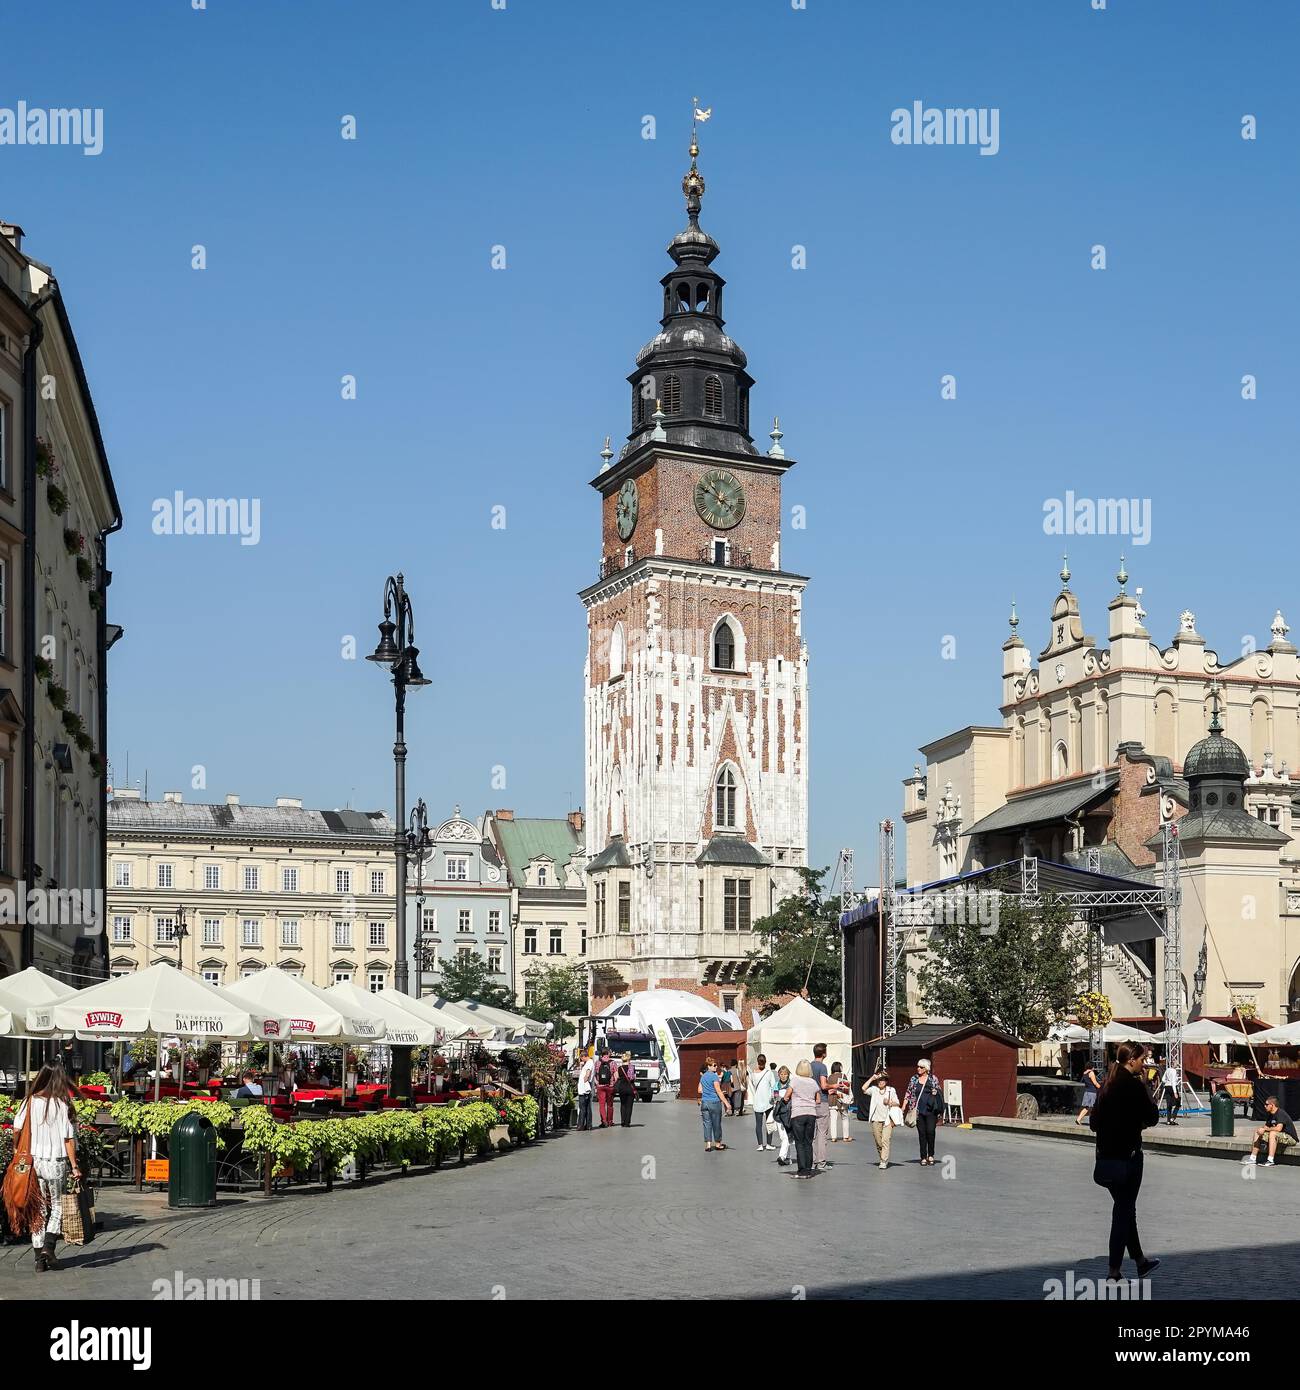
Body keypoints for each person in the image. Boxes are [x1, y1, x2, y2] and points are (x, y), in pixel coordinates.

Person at [1089, 1040, 1160, 1282]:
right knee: (1123, 1213)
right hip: (1128, 1159)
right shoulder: (1133, 1086)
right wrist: (1145, 1088)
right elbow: (1153, 1116)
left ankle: (1140, 1262)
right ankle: (1113, 1272)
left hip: (1106, 1159)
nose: (1144, 1064)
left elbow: (1093, 1123)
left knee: (1125, 1210)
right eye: (1142, 1060)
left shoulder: (1107, 1085)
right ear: (1132, 1060)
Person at [12, 1064, 82, 1271]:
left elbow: (16, 1129)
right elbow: (68, 1139)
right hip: (56, 1162)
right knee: (58, 1206)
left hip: (34, 1162)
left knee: (39, 1209)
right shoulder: (62, 1105)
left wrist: (17, 1150)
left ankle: (38, 1259)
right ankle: (49, 1248)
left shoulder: (29, 1102)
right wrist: (75, 1166)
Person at [902, 1058, 943, 1166]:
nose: (918, 1069)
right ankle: (923, 1157)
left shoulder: (933, 1079)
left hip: (931, 1111)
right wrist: (904, 1106)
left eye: (921, 1067)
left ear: (926, 1068)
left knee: (931, 1132)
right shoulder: (914, 1079)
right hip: (918, 1111)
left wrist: (935, 1092)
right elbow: (908, 1093)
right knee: (922, 1134)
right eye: (918, 1066)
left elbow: (939, 1092)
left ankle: (931, 1155)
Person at [789, 1060, 822, 1178]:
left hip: (798, 1113)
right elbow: (818, 1100)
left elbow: (787, 1095)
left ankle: (802, 1170)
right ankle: (808, 1169)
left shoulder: (795, 1080)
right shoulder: (813, 1082)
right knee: (808, 1142)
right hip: (811, 1114)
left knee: (799, 1142)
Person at [1247, 1095, 1298, 1167]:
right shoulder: (1270, 1115)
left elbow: (1278, 1128)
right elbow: (1266, 1127)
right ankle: (1252, 1158)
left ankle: (1270, 1160)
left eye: (1266, 1104)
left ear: (1272, 1105)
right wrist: (1261, 1129)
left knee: (1273, 1133)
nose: (1265, 1106)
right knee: (1257, 1132)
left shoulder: (1280, 1113)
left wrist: (1265, 1129)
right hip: (1280, 1135)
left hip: (1290, 1138)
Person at [863, 1071, 899, 1169]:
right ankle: (882, 1157)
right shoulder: (874, 1089)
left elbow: (897, 1103)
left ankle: (884, 1161)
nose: (880, 1082)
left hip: (887, 1119)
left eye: (882, 1080)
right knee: (878, 1142)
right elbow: (863, 1088)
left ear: (886, 1081)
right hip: (875, 1119)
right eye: (879, 1080)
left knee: (885, 1140)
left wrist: (889, 1102)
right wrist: (872, 1078)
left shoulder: (891, 1090)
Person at [698, 1057, 730, 1152]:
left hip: (704, 1102)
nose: (716, 1067)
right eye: (714, 1065)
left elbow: (700, 1089)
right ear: (709, 1066)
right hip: (714, 1102)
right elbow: (719, 1091)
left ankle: (708, 1145)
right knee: (716, 1124)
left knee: (707, 1124)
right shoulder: (714, 1076)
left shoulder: (703, 1076)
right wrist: (727, 1103)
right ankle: (718, 1144)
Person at [809, 1042, 832, 1171]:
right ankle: (821, 1162)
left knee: (812, 1134)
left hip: (810, 1102)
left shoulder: (809, 1066)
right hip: (822, 1102)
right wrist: (833, 1086)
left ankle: (812, 1161)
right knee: (822, 1133)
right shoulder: (822, 1067)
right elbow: (823, 1085)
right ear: (824, 1053)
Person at [747, 1053, 775, 1150]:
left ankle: (760, 1145)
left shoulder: (753, 1074)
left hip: (757, 1101)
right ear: (765, 1062)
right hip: (768, 1102)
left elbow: (752, 1086)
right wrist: (775, 1098)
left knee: (758, 1124)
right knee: (769, 1123)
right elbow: (774, 1087)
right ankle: (769, 1144)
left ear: (758, 1062)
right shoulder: (769, 1073)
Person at [772, 1066, 795, 1165]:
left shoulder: (791, 1085)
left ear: (788, 1074)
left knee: (786, 1136)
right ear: (778, 1075)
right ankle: (788, 1158)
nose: (783, 1076)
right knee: (783, 1137)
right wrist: (774, 1098)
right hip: (778, 1113)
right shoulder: (776, 1085)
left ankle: (781, 1156)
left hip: (788, 1112)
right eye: (781, 1074)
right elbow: (772, 1099)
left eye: (785, 1074)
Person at [828, 1062, 853, 1142]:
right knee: (845, 1118)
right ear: (840, 1068)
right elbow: (846, 1089)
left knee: (833, 1119)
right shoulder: (843, 1076)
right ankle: (845, 1137)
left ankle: (833, 1137)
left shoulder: (830, 1077)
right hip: (841, 1100)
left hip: (832, 1100)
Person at [594, 1049, 616, 1129]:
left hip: (600, 1086)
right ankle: (610, 1121)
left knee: (602, 1105)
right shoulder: (613, 1063)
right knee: (610, 1105)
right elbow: (616, 1075)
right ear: (608, 1053)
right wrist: (613, 1084)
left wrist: (597, 1083)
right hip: (610, 1086)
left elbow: (595, 1074)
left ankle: (604, 1121)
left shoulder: (597, 1062)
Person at [615, 1051, 637, 1128]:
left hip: (622, 1088)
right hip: (630, 1088)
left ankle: (622, 1121)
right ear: (629, 1059)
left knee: (623, 1105)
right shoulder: (632, 1067)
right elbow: (634, 1078)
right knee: (629, 1106)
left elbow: (617, 1077)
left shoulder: (619, 1068)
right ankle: (627, 1122)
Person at [575, 1049, 594, 1131]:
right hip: (586, 1087)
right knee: (587, 1107)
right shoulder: (589, 1063)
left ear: (584, 1056)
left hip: (585, 1088)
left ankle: (581, 1125)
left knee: (583, 1107)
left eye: (581, 1058)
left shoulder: (589, 1063)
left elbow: (588, 1073)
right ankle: (588, 1124)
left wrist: (585, 1079)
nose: (581, 1060)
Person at [1157, 1056, 1180, 1126]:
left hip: (1167, 1087)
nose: (1178, 1064)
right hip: (1172, 1087)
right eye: (1177, 1063)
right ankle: (1173, 1117)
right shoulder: (1174, 1071)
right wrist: (1175, 1092)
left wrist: (1167, 1081)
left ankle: (1168, 1120)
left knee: (1169, 1104)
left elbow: (1163, 1079)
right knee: (1178, 1103)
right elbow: (1173, 1082)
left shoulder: (1168, 1070)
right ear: (1174, 1064)